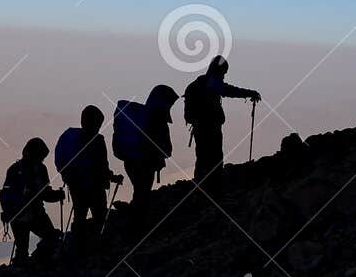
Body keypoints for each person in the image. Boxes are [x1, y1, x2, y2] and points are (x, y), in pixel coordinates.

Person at [183, 54, 261, 193]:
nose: (224, 76)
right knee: (214, 158)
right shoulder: (212, 82)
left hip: (199, 128)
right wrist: (250, 93)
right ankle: (212, 190)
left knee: (202, 158)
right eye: (224, 72)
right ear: (219, 70)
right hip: (210, 127)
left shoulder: (201, 83)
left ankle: (200, 190)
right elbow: (229, 90)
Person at [54, 106, 120, 247]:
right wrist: (112, 177)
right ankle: (97, 245)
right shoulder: (97, 141)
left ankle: (78, 246)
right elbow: (102, 166)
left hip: (76, 185)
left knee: (80, 215)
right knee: (99, 215)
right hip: (95, 185)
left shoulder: (72, 138)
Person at [112, 84, 180, 214]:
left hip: (131, 161)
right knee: (142, 192)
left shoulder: (143, 117)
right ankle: (137, 221)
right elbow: (167, 149)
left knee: (140, 191)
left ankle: (134, 217)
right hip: (146, 163)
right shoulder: (158, 120)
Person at [0, 138, 64, 264]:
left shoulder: (14, 169)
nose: (42, 160)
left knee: (22, 250)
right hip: (35, 214)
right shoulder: (39, 169)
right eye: (42, 157)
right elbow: (45, 194)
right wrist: (58, 195)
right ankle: (40, 264)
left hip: (17, 216)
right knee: (51, 238)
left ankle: (20, 271)